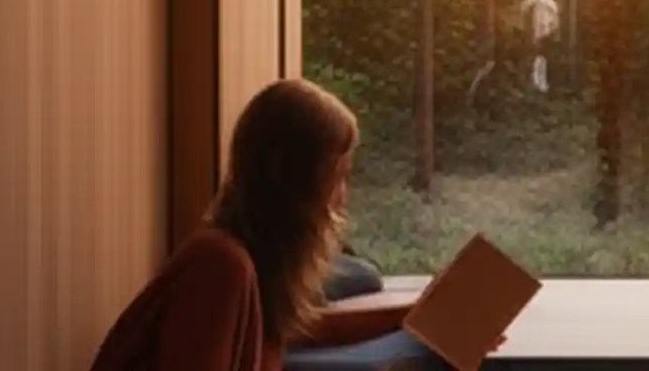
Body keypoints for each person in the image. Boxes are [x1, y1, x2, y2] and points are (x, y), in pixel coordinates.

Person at [90, 79, 412, 371]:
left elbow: (300, 329)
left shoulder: (255, 262)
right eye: (338, 176)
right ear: (296, 181)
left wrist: (409, 316)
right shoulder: (221, 264)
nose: (343, 197)